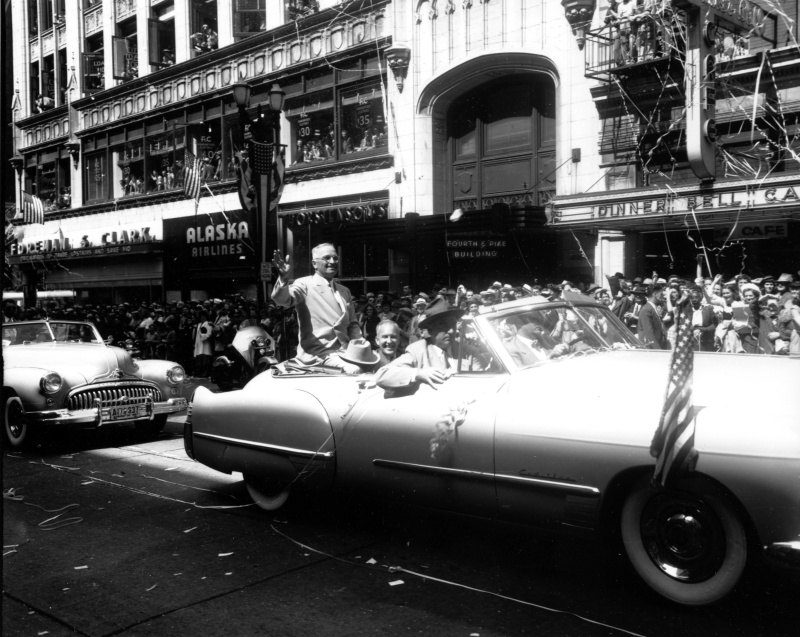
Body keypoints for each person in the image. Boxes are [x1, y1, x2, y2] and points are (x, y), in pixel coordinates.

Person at [271, 243, 360, 372]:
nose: (332, 262)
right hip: (317, 355)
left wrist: (360, 347)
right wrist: (283, 278)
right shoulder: (305, 284)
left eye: (335, 258)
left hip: (346, 353)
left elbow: (353, 324)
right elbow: (282, 299)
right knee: (355, 370)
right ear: (314, 264)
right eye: (327, 258)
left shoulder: (344, 291)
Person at [374, 298, 464, 390]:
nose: (451, 330)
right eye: (444, 326)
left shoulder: (467, 351)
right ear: (430, 330)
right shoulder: (418, 350)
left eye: (453, 325)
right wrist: (417, 374)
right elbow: (383, 374)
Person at [637, 284, 667, 349]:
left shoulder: (653, 308)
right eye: (661, 294)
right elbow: (649, 334)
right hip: (649, 349)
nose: (663, 297)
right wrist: (658, 351)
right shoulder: (646, 310)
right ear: (655, 294)